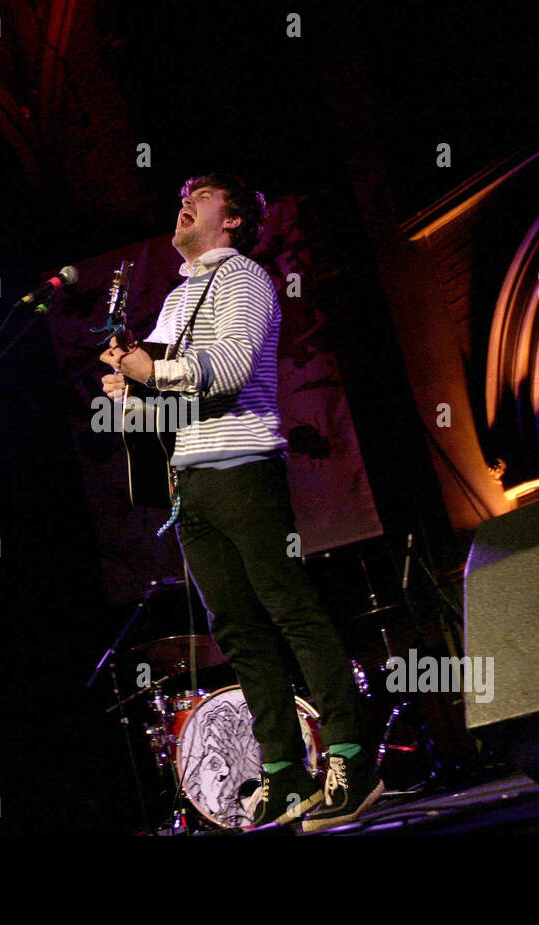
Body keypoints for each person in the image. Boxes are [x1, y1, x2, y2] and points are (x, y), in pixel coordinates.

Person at [99, 173, 383, 831]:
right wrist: (134, 396)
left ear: (231, 219)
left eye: (201, 195)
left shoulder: (245, 279)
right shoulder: (174, 301)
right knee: (240, 632)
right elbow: (173, 399)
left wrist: (149, 373)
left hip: (244, 470)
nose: (184, 199)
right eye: (182, 193)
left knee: (290, 607)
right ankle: (283, 771)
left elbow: (224, 371)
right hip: (191, 483)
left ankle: (350, 755)